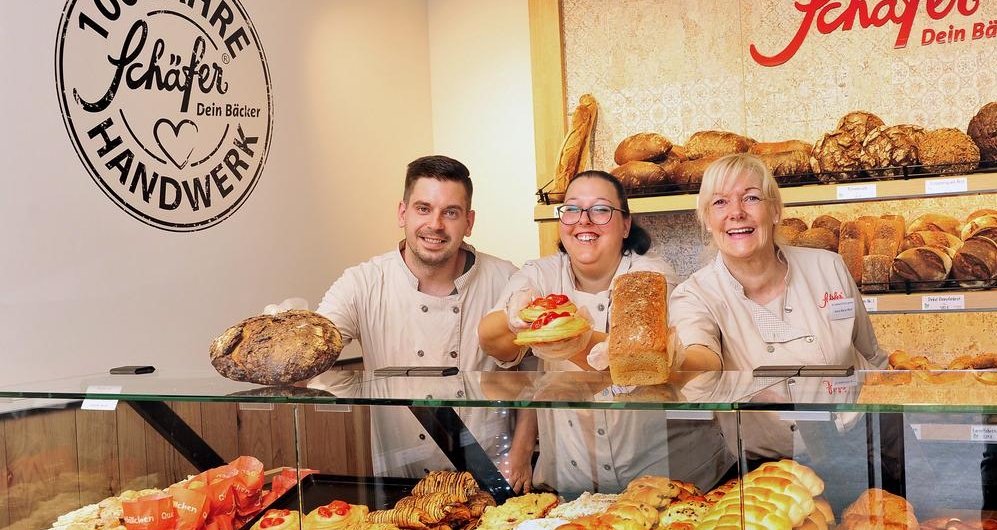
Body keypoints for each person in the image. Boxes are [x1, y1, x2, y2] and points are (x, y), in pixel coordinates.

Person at [479, 170, 734, 496]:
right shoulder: (540, 273)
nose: (583, 221)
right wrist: (516, 319)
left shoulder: (650, 277)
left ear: (625, 224)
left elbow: (630, 364)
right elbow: (491, 341)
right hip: (576, 479)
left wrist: (555, 334)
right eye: (571, 209)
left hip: (671, 476)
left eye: (600, 210)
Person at [669, 153, 888, 510]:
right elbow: (701, 356)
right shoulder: (695, 294)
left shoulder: (828, 268)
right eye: (720, 202)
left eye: (751, 197)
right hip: (767, 469)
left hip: (856, 449)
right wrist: (672, 357)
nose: (736, 212)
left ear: (774, 211)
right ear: (707, 220)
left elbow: (872, 356)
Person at [316, 155, 519, 479]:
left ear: (469, 222)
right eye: (423, 209)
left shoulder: (507, 279)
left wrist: (518, 460)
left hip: (491, 475)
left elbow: (537, 383)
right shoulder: (363, 283)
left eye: (450, 213)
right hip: (401, 479)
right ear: (402, 213)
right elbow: (316, 343)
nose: (435, 225)